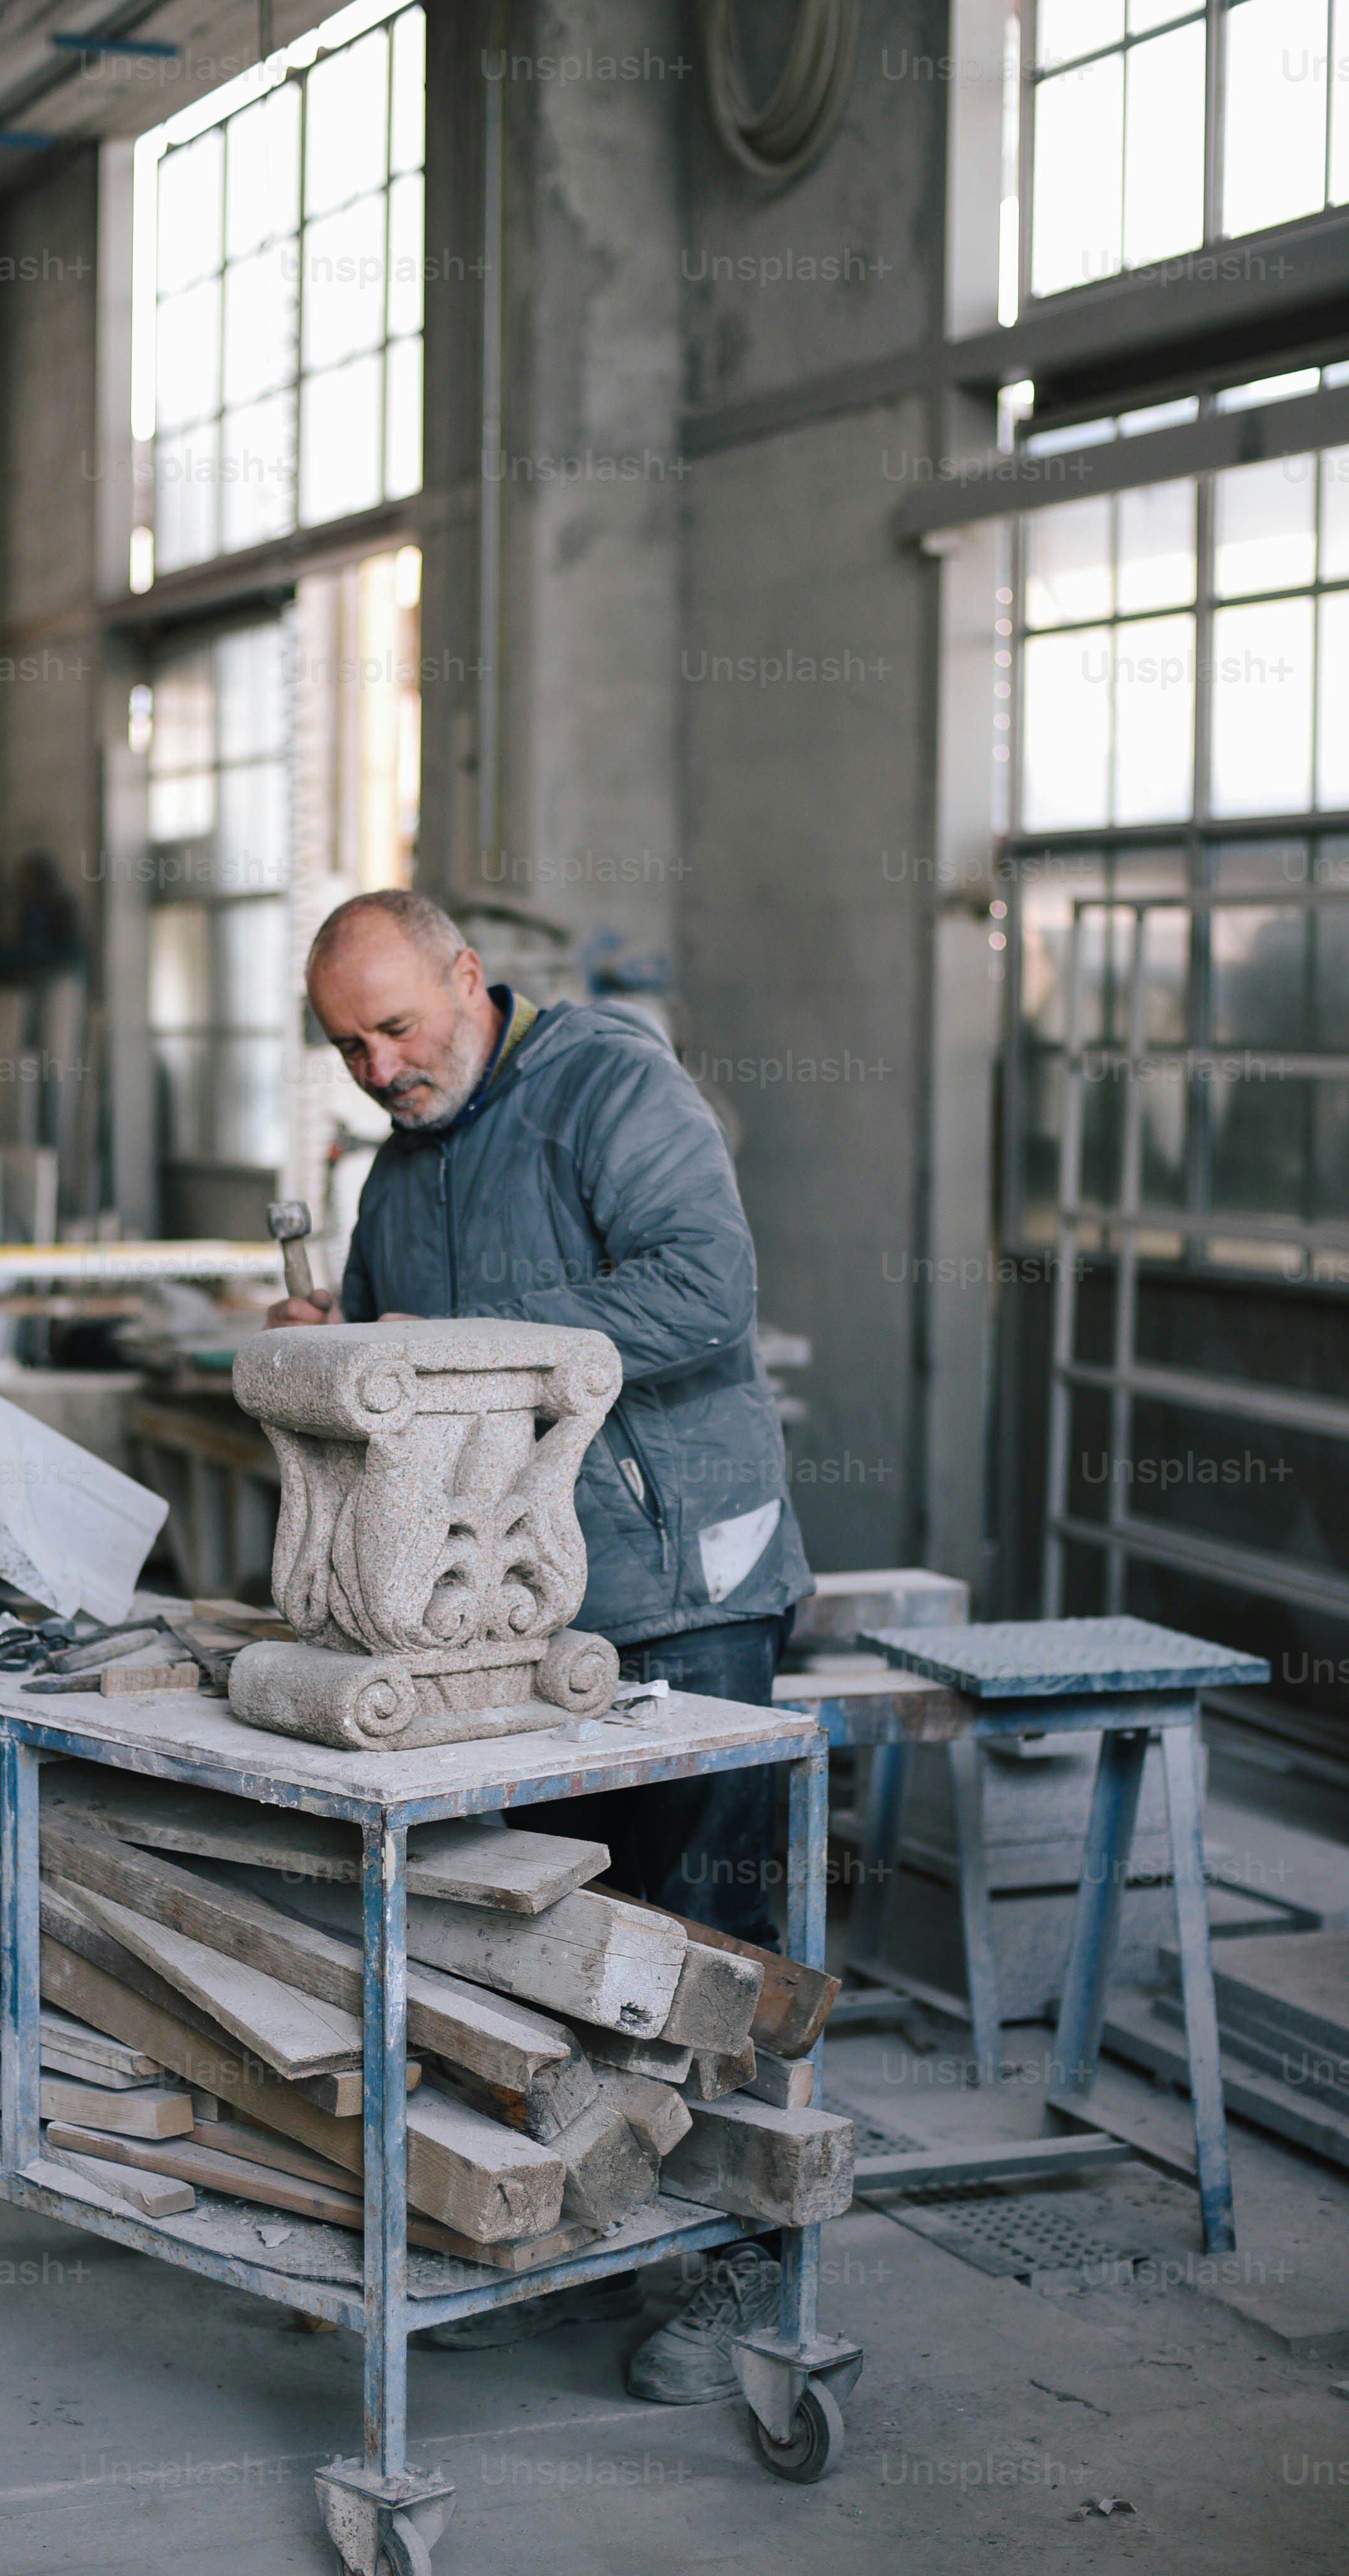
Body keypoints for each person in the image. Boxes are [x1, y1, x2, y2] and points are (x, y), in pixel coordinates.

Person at [265, 887, 813, 2404]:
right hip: (519, 1615)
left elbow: (705, 1293)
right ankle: (577, 2224)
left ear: (468, 975)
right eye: (347, 1045)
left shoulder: (607, 1085)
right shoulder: (403, 1166)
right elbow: (387, 1367)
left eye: (399, 1027)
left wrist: (452, 1350)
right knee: (559, 1947)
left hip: (683, 1585)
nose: (378, 1067)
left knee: (709, 1953)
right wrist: (333, 1347)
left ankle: (737, 2273)